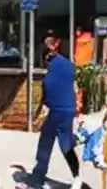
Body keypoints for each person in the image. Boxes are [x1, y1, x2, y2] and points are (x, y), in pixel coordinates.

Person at [14, 32, 82, 189]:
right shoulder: (68, 65)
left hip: (57, 111)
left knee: (45, 142)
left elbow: (47, 93)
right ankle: (77, 177)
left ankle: (38, 177)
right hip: (68, 110)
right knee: (66, 145)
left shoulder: (50, 73)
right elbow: (72, 83)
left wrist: (40, 110)